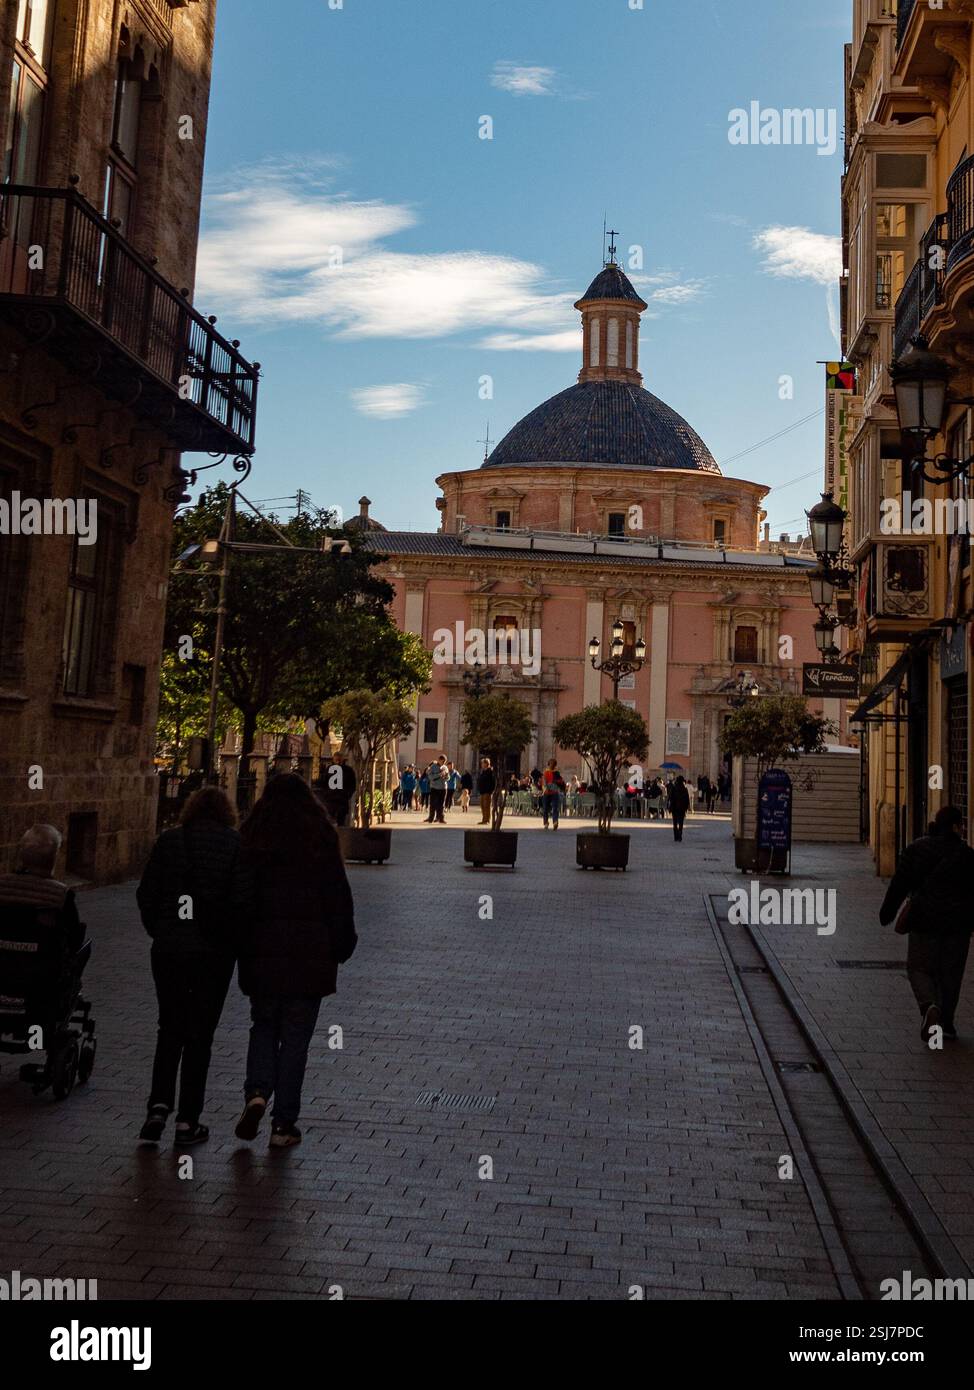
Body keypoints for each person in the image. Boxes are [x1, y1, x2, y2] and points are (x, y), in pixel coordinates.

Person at [235, 774, 357, 1147]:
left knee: (263, 1025)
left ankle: (257, 1091)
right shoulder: (320, 837)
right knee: (296, 1039)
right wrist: (343, 943)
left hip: (263, 954)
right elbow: (338, 897)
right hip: (309, 957)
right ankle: (283, 1125)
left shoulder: (253, 837)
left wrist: (239, 942)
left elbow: (241, 896)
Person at [136, 788, 251, 1147]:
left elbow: (146, 894)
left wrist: (161, 929)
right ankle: (188, 1121)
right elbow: (242, 901)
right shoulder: (235, 845)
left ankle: (157, 1107)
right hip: (213, 954)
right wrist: (229, 942)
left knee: (169, 1027)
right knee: (200, 1035)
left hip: (169, 949)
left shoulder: (169, 841)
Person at [879, 806, 974, 1044]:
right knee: (951, 974)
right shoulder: (967, 855)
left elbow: (899, 884)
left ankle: (929, 1004)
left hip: (923, 921)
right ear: (954, 827)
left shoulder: (917, 849)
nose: (962, 828)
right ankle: (946, 1024)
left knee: (919, 968)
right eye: (960, 824)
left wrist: (887, 912)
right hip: (957, 926)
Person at [321, 751, 357, 827]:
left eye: (338, 759)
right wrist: (347, 795)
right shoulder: (348, 770)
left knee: (334, 821)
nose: (338, 761)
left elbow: (323, 783)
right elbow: (352, 785)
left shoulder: (330, 769)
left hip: (335, 799)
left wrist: (326, 794)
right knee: (338, 822)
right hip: (338, 799)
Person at [541, 758, 565, 830]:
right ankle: (546, 823)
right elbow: (544, 782)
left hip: (554, 792)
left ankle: (555, 822)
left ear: (555, 765)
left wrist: (557, 782)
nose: (552, 765)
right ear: (549, 764)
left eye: (553, 763)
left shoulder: (557, 772)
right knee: (545, 808)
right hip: (547, 792)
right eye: (551, 763)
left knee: (555, 808)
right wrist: (545, 788)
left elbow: (561, 781)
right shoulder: (546, 772)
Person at [669, 775, 691, 842]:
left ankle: (676, 836)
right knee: (681, 822)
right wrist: (686, 807)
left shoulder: (674, 788)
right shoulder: (684, 789)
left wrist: (670, 807)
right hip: (681, 808)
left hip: (675, 808)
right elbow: (687, 799)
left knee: (675, 823)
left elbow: (671, 798)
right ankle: (680, 835)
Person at [426, 756, 447, 823]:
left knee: (441, 804)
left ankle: (441, 818)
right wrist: (439, 774)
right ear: (439, 760)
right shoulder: (433, 767)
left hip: (443, 788)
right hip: (434, 788)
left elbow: (448, 778)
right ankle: (431, 818)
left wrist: (446, 775)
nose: (443, 762)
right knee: (433, 804)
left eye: (444, 761)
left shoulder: (445, 767)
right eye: (442, 761)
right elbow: (430, 777)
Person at [477, 758, 496, 825]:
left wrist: (491, 790)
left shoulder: (490, 771)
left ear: (486, 764)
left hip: (487, 791)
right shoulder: (483, 771)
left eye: (482, 763)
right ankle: (484, 819)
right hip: (482, 791)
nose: (481, 764)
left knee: (486, 806)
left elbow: (493, 782)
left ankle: (487, 820)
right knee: (482, 805)